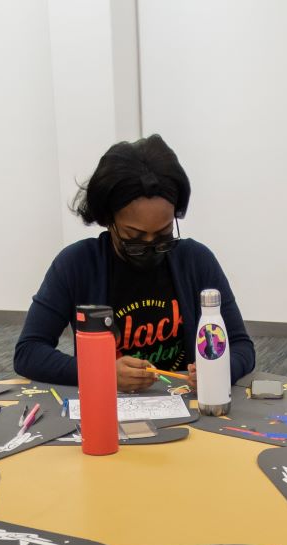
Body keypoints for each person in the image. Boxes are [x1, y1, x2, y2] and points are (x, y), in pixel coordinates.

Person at [15, 135, 254, 391]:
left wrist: (218, 370)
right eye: (134, 238)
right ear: (108, 220)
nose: (151, 247)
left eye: (163, 236)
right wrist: (102, 371)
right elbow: (29, 352)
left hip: (187, 405)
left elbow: (241, 346)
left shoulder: (195, 261)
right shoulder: (76, 264)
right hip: (109, 407)